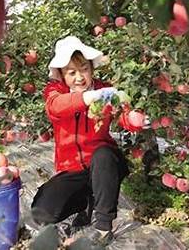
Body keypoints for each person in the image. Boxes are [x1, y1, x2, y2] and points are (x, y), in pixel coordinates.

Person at [31, 36, 129, 246]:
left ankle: (103, 227)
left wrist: (137, 120)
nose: (79, 77)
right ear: (62, 76)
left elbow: (123, 115)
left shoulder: (106, 90)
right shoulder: (55, 92)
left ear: (91, 67)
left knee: (103, 155)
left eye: (83, 69)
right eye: (71, 72)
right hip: (72, 169)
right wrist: (88, 97)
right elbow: (55, 107)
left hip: (104, 166)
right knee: (42, 213)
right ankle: (87, 203)